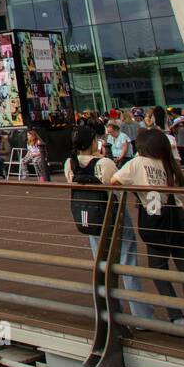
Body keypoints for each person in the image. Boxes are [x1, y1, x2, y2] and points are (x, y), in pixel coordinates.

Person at [111, 129, 184, 327]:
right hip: (179, 219)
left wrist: (136, 192)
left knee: (159, 270)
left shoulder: (136, 163)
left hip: (155, 221)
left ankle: (175, 316)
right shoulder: (168, 162)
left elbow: (115, 181)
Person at [65, 124, 155, 323]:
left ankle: (110, 310)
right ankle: (141, 315)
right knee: (127, 262)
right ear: (92, 142)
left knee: (101, 263)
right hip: (113, 215)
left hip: (88, 217)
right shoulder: (104, 163)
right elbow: (117, 187)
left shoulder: (69, 164)